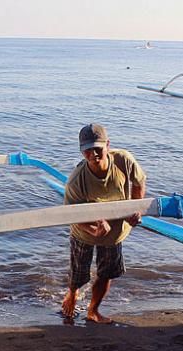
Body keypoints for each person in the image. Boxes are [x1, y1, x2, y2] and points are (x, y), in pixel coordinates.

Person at [61, 123, 147, 324]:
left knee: (106, 272)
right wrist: (93, 229)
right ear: (82, 152)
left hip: (115, 231)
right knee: (78, 273)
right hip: (84, 230)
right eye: (87, 150)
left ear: (108, 145)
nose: (93, 154)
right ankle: (72, 294)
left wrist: (136, 208)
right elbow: (70, 214)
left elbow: (139, 181)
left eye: (97, 148)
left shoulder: (124, 161)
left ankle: (93, 310)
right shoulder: (76, 181)